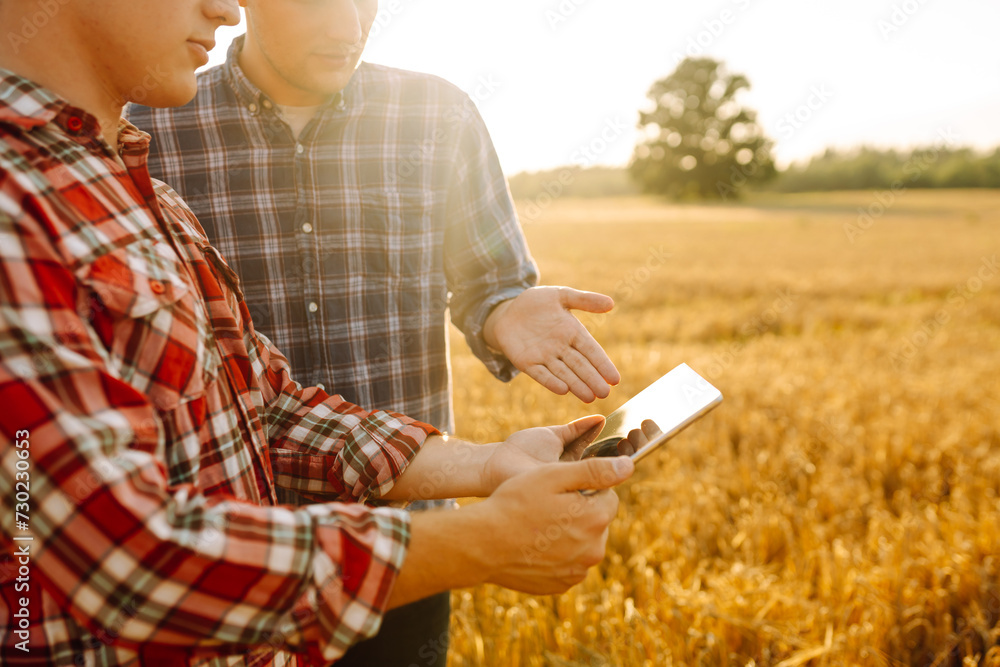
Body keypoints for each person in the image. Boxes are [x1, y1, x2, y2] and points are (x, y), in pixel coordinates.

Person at [0, 1, 635, 665]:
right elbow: (125, 558)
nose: (223, 6)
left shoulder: (130, 181)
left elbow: (262, 408)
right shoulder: (17, 198)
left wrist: (484, 463)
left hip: (321, 586)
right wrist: (489, 539)